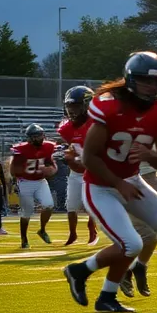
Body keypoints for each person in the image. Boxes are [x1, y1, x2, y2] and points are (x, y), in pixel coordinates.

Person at [61, 52, 157, 313]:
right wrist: (118, 183)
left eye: (156, 82)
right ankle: (99, 289)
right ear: (130, 80)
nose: (152, 87)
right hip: (100, 185)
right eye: (145, 81)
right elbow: (91, 158)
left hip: (132, 179)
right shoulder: (108, 106)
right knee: (132, 244)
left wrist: (150, 155)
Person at [56, 86, 99, 246]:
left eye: (75, 106)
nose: (71, 111)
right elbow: (72, 146)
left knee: (90, 204)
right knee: (71, 205)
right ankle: (73, 234)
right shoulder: (66, 128)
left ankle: (92, 229)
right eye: (69, 107)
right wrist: (69, 154)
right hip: (75, 173)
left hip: (93, 172)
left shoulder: (96, 125)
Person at [10, 124, 57, 248]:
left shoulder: (48, 146)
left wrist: (51, 169)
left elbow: (51, 164)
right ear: (29, 138)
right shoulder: (21, 149)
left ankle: (42, 230)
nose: (38, 139)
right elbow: (13, 168)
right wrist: (15, 180)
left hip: (41, 181)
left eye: (39, 135)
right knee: (27, 212)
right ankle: (24, 239)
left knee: (49, 205)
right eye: (35, 136)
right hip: (25, 182)